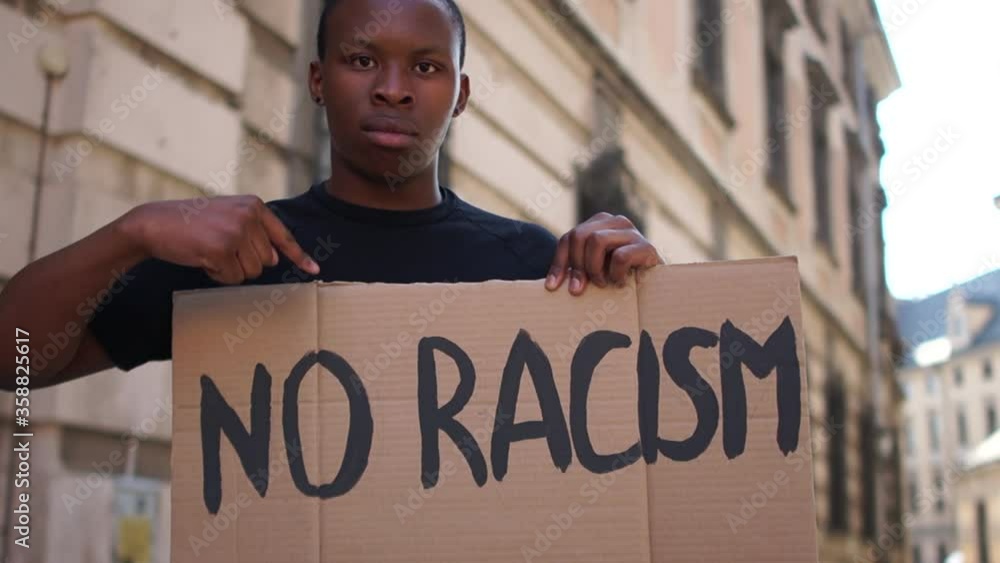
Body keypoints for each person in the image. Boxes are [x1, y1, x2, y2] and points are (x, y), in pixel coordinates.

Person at [0, 0, 663, 389]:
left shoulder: (531, 265)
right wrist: (133, 231)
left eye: (426, 67)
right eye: (363, 59)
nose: (394, 88)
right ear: (318, 80)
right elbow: (15, 361)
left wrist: (643, 299)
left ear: (459, 96)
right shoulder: (238, 254)